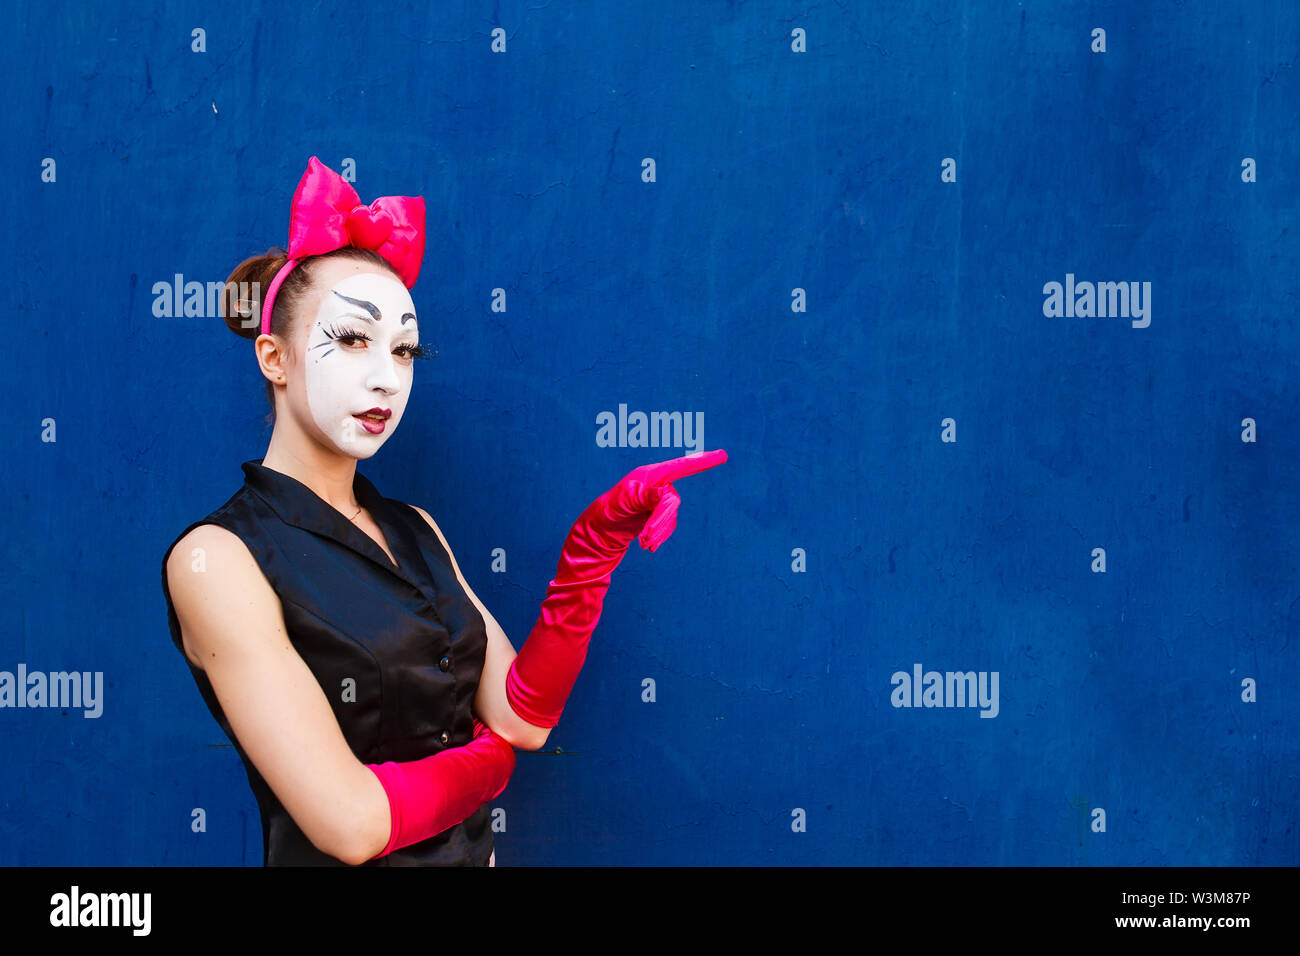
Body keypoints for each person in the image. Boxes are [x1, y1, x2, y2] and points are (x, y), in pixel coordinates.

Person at [160, 156, 728, 866]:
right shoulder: (218, 560)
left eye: (404, 349)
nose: (385, 376)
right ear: (273, 358)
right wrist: (487, 769)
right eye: (353, 339)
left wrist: (594, 547)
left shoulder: (415, 529)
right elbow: (352, 823)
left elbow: (522, 716)